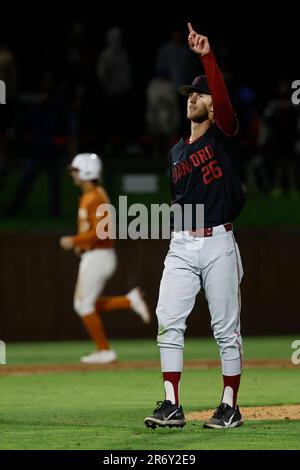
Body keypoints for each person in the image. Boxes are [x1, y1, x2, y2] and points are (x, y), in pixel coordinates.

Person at [144, 23, 245, 430]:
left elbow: (221, 97)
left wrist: (207, 56)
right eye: (191, 94)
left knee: (225, 330)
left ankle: (230, 406)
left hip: (219, 241)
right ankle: (171, 405)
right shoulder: (175, 152)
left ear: (214, 105)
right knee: (167, 317)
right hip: (182, 244)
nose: (194, 99)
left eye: (201, 94)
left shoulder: (223, 136)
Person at [60, 153, 150, 364]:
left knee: (82, 305)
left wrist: (75, 241)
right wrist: (81, 243)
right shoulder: (91, 195)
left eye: (76, 171)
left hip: (98, 256)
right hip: (97, 255)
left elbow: (103, 231)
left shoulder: (95, 197)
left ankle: (104, 350)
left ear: (85, 171)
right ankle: (129, 301)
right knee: (86, 304)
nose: (73, 175)